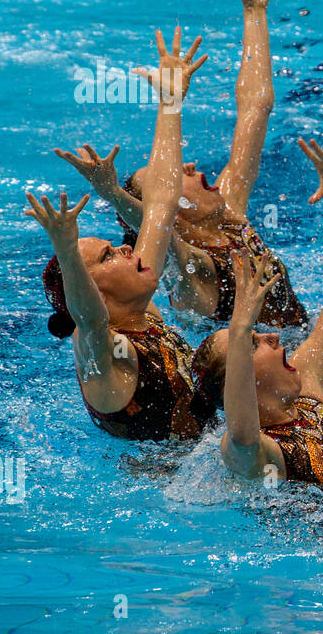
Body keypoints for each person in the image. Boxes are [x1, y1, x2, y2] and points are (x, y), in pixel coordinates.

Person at [56, 0, 306, 327]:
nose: (187, 166)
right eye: (172, 179)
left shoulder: (230, 212)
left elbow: (255, 109)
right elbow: (157, 216)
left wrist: (255, 9)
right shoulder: (191, 273)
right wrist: (115, 195)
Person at [29, 28, 211, 440]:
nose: (127, 250)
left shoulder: (145, 311)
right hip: (173, 494)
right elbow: (89, 319)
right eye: (109, 256)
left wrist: (170, 102)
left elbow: (162, 206)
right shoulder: (102, 356)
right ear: (94, 291)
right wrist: (66, 248)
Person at [192, 138, 323, 491]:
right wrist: (239, 328)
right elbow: (243, 435)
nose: (272, 336)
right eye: (253, 343)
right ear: (240, 377)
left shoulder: (308, 389)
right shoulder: (255, 455)